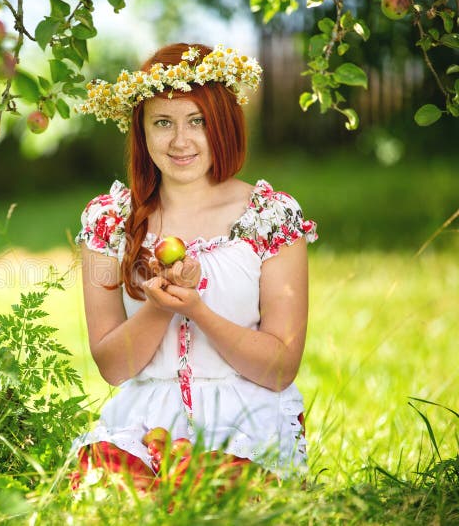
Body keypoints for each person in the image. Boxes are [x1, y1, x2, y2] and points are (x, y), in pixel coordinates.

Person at [71, 43, 318, 488]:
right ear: (142, 131)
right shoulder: (110, 219)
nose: (180, 141)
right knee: (108, 504)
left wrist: (197, 309)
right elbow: (112, 367)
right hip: (142, 421)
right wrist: (160, 306)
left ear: (222, 125)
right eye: (163, 123)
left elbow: (280, 367)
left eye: (197, 122)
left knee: (212, 500)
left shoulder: (268, 216)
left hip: (243, 419)